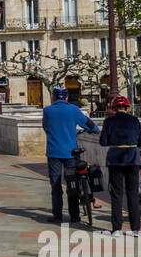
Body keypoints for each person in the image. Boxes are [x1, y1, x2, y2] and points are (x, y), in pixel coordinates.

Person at [41, 86, 98, 224]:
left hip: (54, 152)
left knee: (55, 184)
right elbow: (90, 125)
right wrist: (94, 129)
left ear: (54, 97)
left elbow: (46, 127)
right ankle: (75, 216)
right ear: (66, 97)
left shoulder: (47, 110)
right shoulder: (73, 109)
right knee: (72, 183)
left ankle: (57, 216)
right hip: (70, 153)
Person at [100, 94, 141, 235]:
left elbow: (103, 142)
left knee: (116, 194)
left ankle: (117, 229)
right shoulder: (134, 120)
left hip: (115, 159)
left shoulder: (109, 121)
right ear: (127, 107)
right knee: (132, 194)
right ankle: (136, 229)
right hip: (132, 158)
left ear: (114, 108)